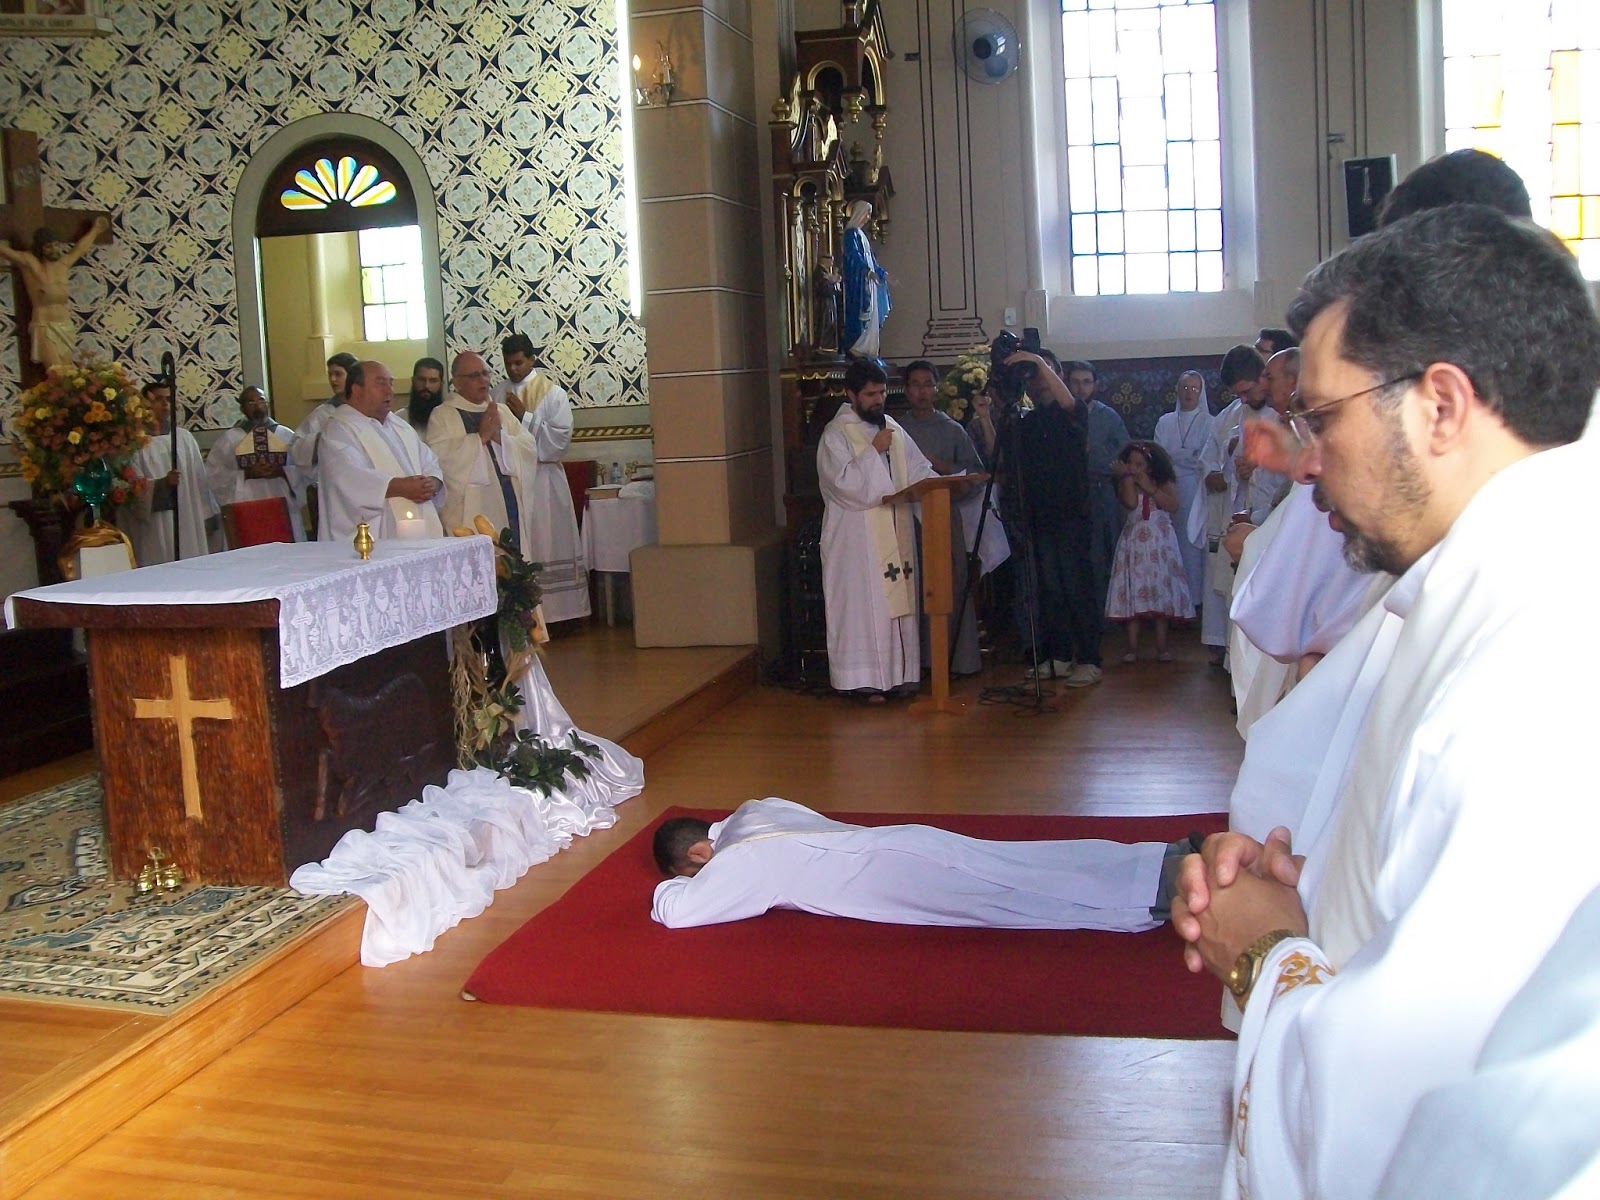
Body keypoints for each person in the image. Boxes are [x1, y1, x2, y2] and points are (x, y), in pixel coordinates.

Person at [1170, 203, 1600, 1200]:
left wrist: (1262, 949)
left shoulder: (1532, 667)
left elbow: (1410, 1107)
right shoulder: (1484, 585)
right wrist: (1312, 885)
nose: (1307, 458)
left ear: (1440, 406)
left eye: (1322, 417)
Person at [650, 797, 1187, 932]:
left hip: (894, 877)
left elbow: (678, 913)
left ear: (699, 855)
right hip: (898, 845)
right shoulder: (752, 811)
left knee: (1011, 895)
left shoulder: (739, 860)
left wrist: (668, 888)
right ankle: (1159, 863)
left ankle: (1155, 886)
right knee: (1016, 865)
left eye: (694, 870)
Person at [817, 358, 937, 700]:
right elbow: (846, 487)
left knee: (894, 607)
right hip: (856, 543)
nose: (877, 400)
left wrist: (944, 484)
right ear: (850, 394)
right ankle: (862, 681)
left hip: (895, 534)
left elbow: (918, 470)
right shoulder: (835, 435)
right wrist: (872, 453)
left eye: (882, 392)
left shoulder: (892, 427)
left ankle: (899, 676)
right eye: (870, 394)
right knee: (864, 609)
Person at [1013, 349, 1103, 685]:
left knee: (1076, 586)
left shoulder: (1074, 412)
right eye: (1034, 375)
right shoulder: (1028, 420)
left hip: (1072, 513)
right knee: (1050, 589)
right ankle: (1060, 655)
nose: (1039, 380)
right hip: (1041, 513)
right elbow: (1006, 457)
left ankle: (1090, 659)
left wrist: (1038, 361)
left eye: (1046, 372)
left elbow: (1068, 404)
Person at [896, 358, 988, 677]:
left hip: (943, 518)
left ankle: (956, 659)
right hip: (906, 518)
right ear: (906, 390)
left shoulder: (952, 429)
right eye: (915, 385)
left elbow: (974, 475)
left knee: (950, 583)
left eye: (927, 384)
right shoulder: (896, 430)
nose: (922, 391)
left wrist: (941, 466)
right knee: (912, 585)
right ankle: (914, 663)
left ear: (936, 389)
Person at [492, 333, 590, 622]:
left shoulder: (553, 394)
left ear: (532, 359)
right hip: (512, 481)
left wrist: (525, 417)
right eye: (508, 363)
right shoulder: (497, 395)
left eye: (519, 362)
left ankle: (559, 615)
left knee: (547, 541)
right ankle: (520, 612)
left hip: (544, 480)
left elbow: (558, 443)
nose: (513, 369)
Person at [1191, 345, 1268, 666]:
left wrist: (1257, 465)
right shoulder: (1233, 413)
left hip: (1266, 517)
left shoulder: (1282, 411)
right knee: (1230, 586)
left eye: (1247, 391)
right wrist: (1215, 472)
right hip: (1234, 513)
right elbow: (1210, 456)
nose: (1244, 399)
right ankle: (1230, 659)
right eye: (1238, 394)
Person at [316, 359, 445, 540]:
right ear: (356, 389)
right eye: (380, 384)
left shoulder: (400, 426)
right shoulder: (339, 430)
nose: (389, 391)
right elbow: (348, 478)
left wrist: (432, 482)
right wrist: (401, 487)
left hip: (418, 530)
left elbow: (429, 460)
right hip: (371, 537)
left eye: (390, 383)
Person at [1105, 441, 1192, 663]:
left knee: (1160, 590)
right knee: (1135, 590)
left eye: (1139, 464)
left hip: (1159, 543)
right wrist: (1126, 479)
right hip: (1135, 543)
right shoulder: (1127, 483)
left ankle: (1162, 646)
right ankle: (1132, 647)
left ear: (1150, 466)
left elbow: (1173, 506)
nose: (1134, 468)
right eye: (1130, 464)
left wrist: (1152, 489)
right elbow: (1131, 503)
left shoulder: (1163, 483)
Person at [427, 351, 525, 547]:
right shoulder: (443, 415)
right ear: (457, 382)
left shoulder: (502, 411)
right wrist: (479, 438)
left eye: (485, 373)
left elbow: (529, 448)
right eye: (474, 376)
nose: (483, 380)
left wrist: (500, 438)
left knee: (512, 560)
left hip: (508, 501)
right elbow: (440, 461)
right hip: (469, 507)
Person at [118, 379, 215, 566]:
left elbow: (200, 482)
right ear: (144, 404)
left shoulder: (184, 438)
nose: (165, 404)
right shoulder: (135, 443)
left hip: (188, 516)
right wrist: (162, 484)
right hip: (155, 525)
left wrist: (207, 514)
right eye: (159, 399)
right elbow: (131, 490)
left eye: (169, 400)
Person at [0, 215, 109, 367]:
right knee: (55, 371)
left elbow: (80, 248)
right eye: (48, 246)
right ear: (40, 248)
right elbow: (6, 252)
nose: (54, 249)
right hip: (45, 323)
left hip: (65, 323)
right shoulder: (30, 264)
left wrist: (96, 230)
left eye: (56, 245)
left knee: (68, 370)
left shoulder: (63, 263)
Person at [205, 385, 305, 542]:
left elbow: (303, 467)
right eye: (250, 402)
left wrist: (281, 471)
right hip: (247, 502)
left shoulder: (285, 435)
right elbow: (214, 474)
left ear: (267, 404)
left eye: (261, 400)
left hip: (280, 497)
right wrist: (246, 473)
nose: (257, 405)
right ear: (242, 408)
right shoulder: (230, 438)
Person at [1070, 360, 1131, 617]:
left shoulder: (1107, 416)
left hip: (1100, 490)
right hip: (1069, 493)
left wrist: (1097, 457)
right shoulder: (1060, 413)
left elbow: (1125, 452)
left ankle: (1106, 614)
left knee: (1102, 553)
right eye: (1075, 382)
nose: (1081, 388)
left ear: (1095, 385)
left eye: (1086, 382)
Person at [1153, 370, 1214, 606]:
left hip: (1196, 491)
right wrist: (1185, 456)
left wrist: (1178, 456)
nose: (1189, 393)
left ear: (1201, 392)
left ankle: (1195, 601)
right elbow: (1160, 457)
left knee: (1192, 544)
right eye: (1185, 388)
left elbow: (1204, 458)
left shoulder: (1210, 422)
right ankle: (1172, 601)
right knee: (1170, 544)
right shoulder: (1165, 421)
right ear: (1177, 391)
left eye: (1194, 388)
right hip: (1167, 488)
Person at [289, 351, 360, 539]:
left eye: (338, 374)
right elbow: (297, 446)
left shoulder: (365, 410)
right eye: (330, 374)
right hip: (332, 487)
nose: (333, 379)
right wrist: (322, 439)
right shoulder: (323, 414)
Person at [841, 200, 890, 359]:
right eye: (867, 213)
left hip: (870, 281)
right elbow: (853, 257)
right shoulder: (851, 234)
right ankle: (858, 346)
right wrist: (868, 272)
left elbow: (872, 260)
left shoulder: (862, 235)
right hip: (860, 281)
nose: (868, 217)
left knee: (873, 316)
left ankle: (869, 349)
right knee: (863, 312)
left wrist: (882, 273)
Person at [400, 357, 446, 432]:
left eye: (433, 381)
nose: (426, 386)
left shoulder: (451, 418)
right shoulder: (399, 419)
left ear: (441, 384)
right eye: (421, 380)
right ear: (413, 381)